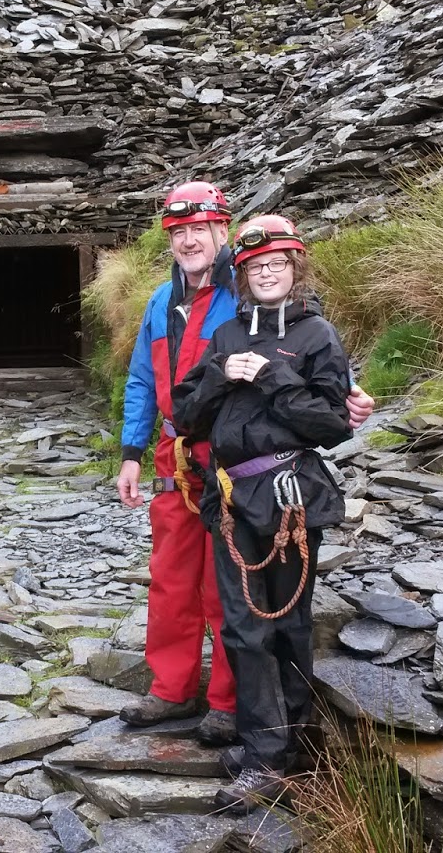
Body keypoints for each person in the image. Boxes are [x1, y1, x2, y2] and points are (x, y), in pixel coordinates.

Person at [116, 183, 375, 745]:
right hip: (172, 452)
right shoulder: (161, 303)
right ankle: (170, 688)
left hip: (234, 459)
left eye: (199, 229)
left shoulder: (248, 286)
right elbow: (142, 379)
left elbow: (301, 334)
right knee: (170, 576)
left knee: (228, 582)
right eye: (177, 232)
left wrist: (350, 392)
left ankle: (231, 702)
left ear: (221, 231)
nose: (188, 240)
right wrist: (130, 453)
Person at [171, 215, 352, 812]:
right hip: (230, 497)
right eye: (255, 267)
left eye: (278, 263)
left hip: (292, 494)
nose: (267, 272)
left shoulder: (316, 335)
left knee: (289, 624)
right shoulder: (225, 337)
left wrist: (274, 376)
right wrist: (222, 377)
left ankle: (285, 751)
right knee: (244, 627)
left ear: (295, 269)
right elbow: (186, 415)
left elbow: (331, 424)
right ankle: (265, 749)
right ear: (242, 276)